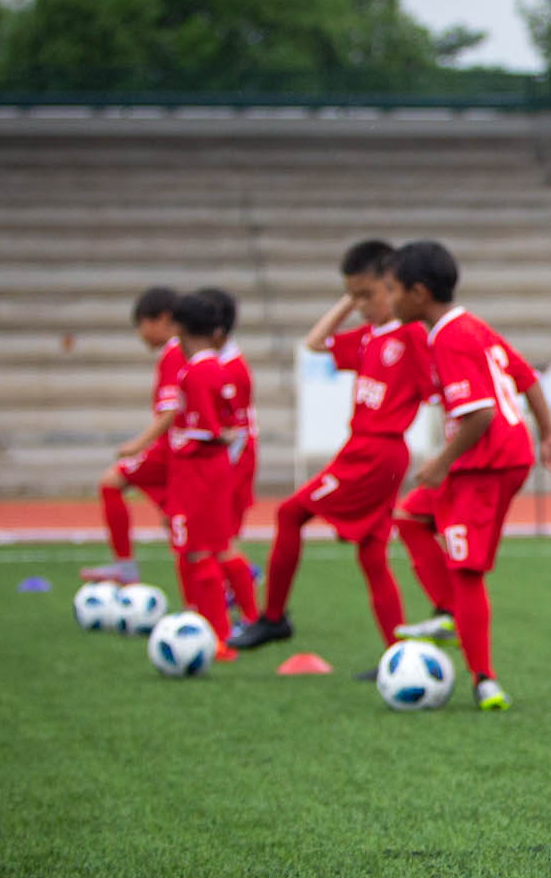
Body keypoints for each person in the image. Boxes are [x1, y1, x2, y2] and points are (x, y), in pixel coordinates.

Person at [229, 240, 438, 674]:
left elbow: (437, 387)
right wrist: (351, 298)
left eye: (369, 295)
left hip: (377, 452)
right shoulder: (368, 336)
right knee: (371, 553)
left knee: (289, 514)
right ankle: (396, 656)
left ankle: (273, 618)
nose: (361, 305)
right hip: (362, 449)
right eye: (354, 296)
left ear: (394, 286)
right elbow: (316, 342)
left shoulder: (411, 334)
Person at [386, 241, 551, 710]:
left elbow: (481, 415)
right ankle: (449, 613)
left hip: (485, 464)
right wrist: (548, 434)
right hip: (488, 458)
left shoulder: (451, 336)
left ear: (418, 292)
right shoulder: (469, 326)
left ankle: (484, 680)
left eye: (393, 290)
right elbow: (527, 376)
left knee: (466, 568)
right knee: (410, 518)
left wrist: (439, 462)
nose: (390, 300)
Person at [80, 287, 182, 583]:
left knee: (111, 482)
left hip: (172, 449)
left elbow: (171, 410)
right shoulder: (182, 351)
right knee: (182, 525)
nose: (140, 334)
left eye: (141, 325)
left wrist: (139, 444)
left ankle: (125, 566)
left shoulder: (174, 353)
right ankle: (232, 578)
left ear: (161, 319)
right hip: (178, 449)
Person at [163, 292, 243, 660]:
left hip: (198, 469)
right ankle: (225, 626)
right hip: (210, 469)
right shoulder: (217, 369)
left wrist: (181, 437)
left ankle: (219, 636)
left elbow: (210, 429)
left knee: (199, 550)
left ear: (179, 330)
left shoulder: (196, 372)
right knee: (213, 546)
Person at [197, 287, 260, 627]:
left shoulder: (232, 368)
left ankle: (246, 611)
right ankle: (232, 605)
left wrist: (219, 472)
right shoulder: (218, 364)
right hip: (227, 460)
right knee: (219, 540)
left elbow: (233, 430)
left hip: (233, 461)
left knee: (223, 540)